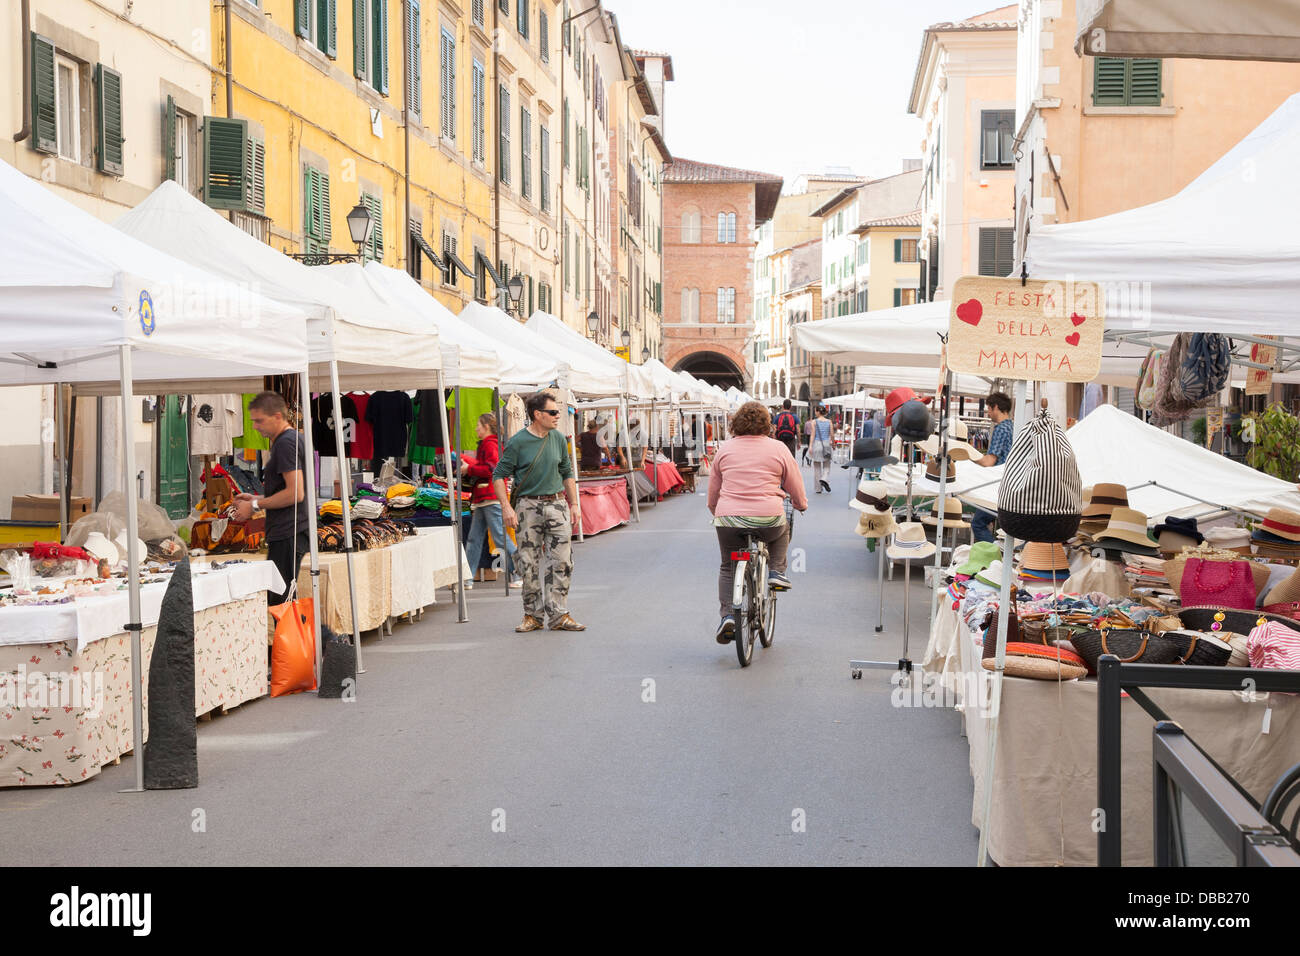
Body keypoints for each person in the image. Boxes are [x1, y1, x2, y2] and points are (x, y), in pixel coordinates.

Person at [708, 401, 808, 643]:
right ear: (768, 425)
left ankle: (728, 617)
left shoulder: (724, 449)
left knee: (727, 566)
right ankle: (776, 570)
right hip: (768, 517)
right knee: (782, 531)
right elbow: (794, 482)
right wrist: (800, 503)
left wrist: (716, 511)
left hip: (729, 519)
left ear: (736, 424)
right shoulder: (779, 448)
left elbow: (713, 490)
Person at [493, 391, 585, 633]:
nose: (557, 416)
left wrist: (574, 504)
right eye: (553, 412)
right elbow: (499, 475)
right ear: (537, 414)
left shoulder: (558, 439)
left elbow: (567, 472)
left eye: (558, 412)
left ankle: (559, 614)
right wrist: (507, 507)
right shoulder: (518, 442)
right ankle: (532, 615)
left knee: (563, 560)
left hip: (557, 504)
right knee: (528, 562)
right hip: (528, 506)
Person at [232, 391, 308, 607]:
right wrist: (256, 498)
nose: (255, 427)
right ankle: (310, 640)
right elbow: (290, 490)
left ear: (277, 416)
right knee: (283, 599)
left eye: (259, 421)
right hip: (290, 530)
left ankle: (319, 640)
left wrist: (255, 505)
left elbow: (295, 493)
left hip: (288, 531)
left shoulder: (286, 443)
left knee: (281, 601)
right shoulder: (293, 439)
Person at [462, 413, 521, 588]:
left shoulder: (489, 444)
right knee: (476, 539)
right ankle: (468, 577)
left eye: (478, 425)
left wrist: (470, 468)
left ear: (486, 426)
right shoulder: (491, 444)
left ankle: (518, 572)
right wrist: (471, 466)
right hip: (485, 497)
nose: (476, 428)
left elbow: (492, 469)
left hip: (489, 496)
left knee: (497, 537)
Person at [970, 391, 1015, 543]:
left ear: (996, 407)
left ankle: (994, 556)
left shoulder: (1001, 429)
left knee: (978, 523)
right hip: (1010, 486)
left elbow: (989, 461)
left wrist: (969, 455)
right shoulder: (1013, 427)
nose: (988, 413)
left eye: (989, 408)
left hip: (998, 486)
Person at [808, 405, 834, 494]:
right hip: (826, 444)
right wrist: (833, 443)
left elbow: (812, 435)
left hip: (817, 445)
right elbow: (832, 434)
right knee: (827, 465)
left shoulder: (814, 422)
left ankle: (818, 489)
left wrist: (810, 446)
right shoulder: (829, 422)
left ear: (818, 412)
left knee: (817, 467)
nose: (815, 413)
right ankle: (824, 478)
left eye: (815, 411)